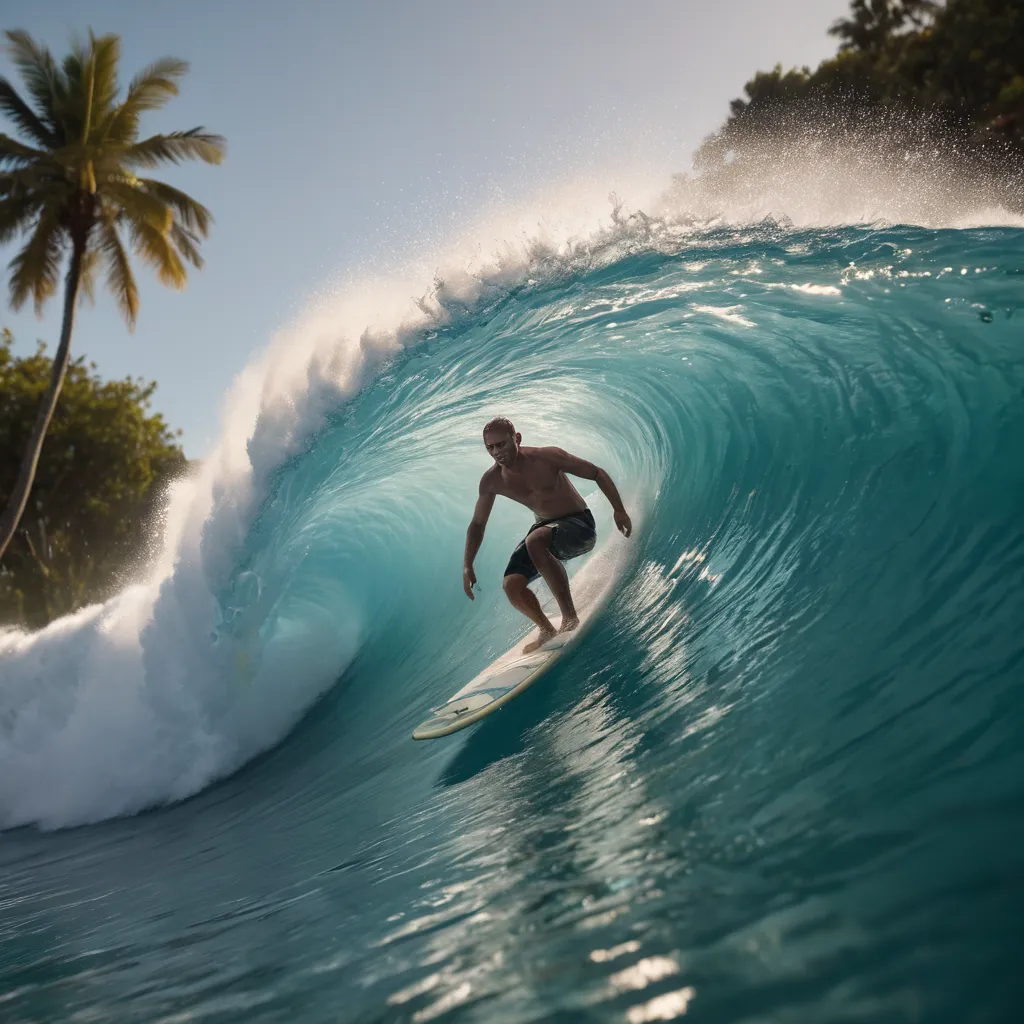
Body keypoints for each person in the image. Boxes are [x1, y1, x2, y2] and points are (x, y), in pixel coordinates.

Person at [462, 417, 632, 653]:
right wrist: (468, 564)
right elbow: (478, 524)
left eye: (501, 444)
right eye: (490, 447)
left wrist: (619, 510)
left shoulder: (548, 457)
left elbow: (596, 473)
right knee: (511, 585)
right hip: (545, 529)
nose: (496, 452)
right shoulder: (492, 481)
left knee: (535, 540)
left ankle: (570, 619)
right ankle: (546, 629)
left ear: (517, 438)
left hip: (579, 526)